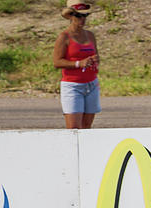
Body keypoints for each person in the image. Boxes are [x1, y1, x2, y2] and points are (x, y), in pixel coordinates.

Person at [53, 0, 101, 129]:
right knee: (74, 130)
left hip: (91, 84)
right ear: (70, 16)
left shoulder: (90, 35)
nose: (82, 19)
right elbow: (57, 62)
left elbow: (96, 55)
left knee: (86, 128)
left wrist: (95, 60)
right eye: (78, 16)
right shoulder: (64, 37)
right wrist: (79, 63)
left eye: (85, 16)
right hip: (73, 85)